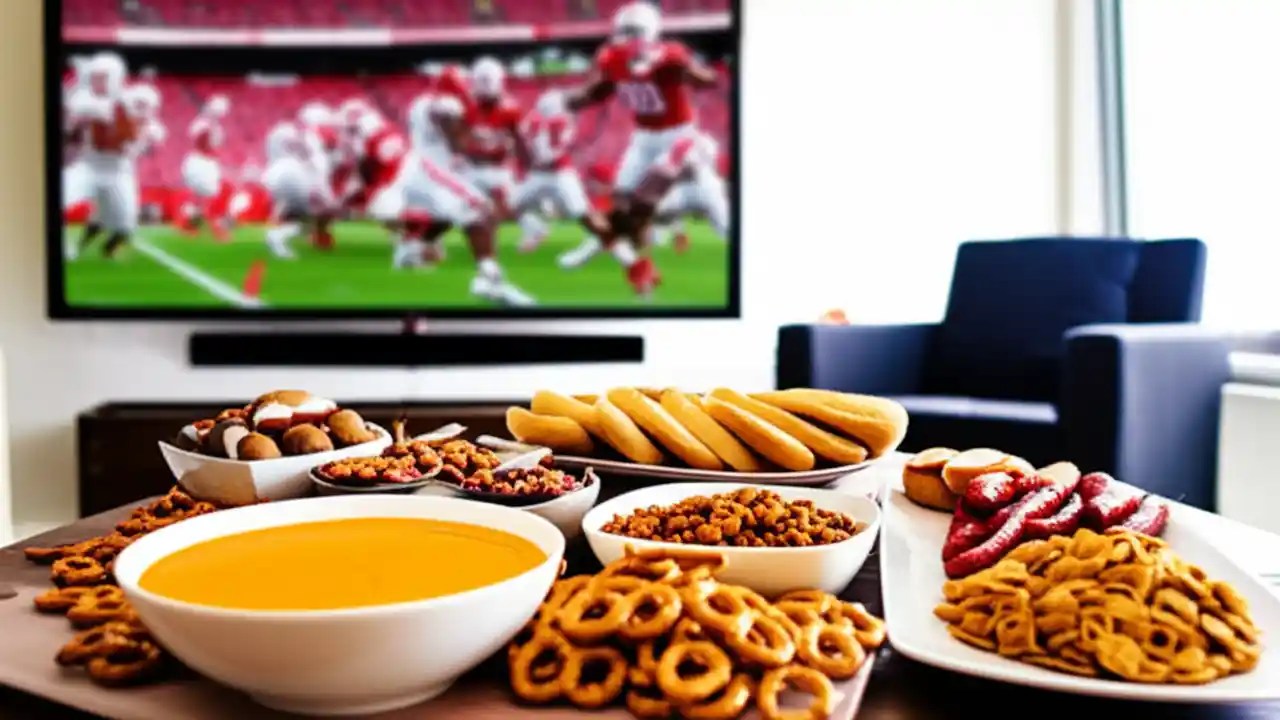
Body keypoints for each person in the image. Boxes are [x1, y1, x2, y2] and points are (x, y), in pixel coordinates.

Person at [566, 1, 719, 295]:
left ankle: (604, 243)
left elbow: (705, 80)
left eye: (634, 31)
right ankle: (636, 262)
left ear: (651, 32)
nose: (628, 38)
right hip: (643, 136)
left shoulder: (671, 55)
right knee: (620, 201)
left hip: (677, 134)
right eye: (624, 31)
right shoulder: (610, 57)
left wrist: (685, 68)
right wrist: (574, 100)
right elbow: (602, 90)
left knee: (643, 203)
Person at [404, 84, 533, 305]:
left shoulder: (419, 103)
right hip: (432, 172)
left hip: (422, 170)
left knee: (468, 215)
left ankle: (409, 253)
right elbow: (457, 144)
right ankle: (489, 280)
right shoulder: (445, 104)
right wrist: (484, 144)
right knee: (480, 209)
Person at [67, 52, 141, 260]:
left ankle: (106, 249)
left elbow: (129, 132)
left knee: (125, 224)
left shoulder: (126, 101)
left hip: (118, 170)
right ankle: (70, 247)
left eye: (102, 77)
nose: (97, 82)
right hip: (90, 165)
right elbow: (79, 108)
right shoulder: (87, 99)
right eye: (95, 77)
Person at [512, 89, 603, 254]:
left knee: (580, 210)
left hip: (560, 173)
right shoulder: (535, 121)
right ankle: (536, 229)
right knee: (512, 205)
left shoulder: (560, 121)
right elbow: (524, 143)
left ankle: (603, 237)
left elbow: (551, 151)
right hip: (538, 173)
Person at [463, 56, 523, 217]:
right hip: (472, 167)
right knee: (461, 208)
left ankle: (532, 224)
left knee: (508, 210)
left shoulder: (511, 109)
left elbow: (519, 141)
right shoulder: (465, 107)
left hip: (499, 168)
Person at [261, 121, 323, 259]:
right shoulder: (296, 136)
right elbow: (305, 154)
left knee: (289, 212)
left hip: (278, 174)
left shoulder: (277, 134)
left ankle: (277, 237)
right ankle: (276, 237)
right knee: (307, 218)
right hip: (292, 175)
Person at [181, 94, 232, 240]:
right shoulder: (202, 124)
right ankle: (215, 229)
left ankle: (189, 226)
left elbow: (215, 146)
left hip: (208, 162)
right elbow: (201, 143)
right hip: (201, 161)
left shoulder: (214, 126)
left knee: (201, 199)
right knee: (209, 197)